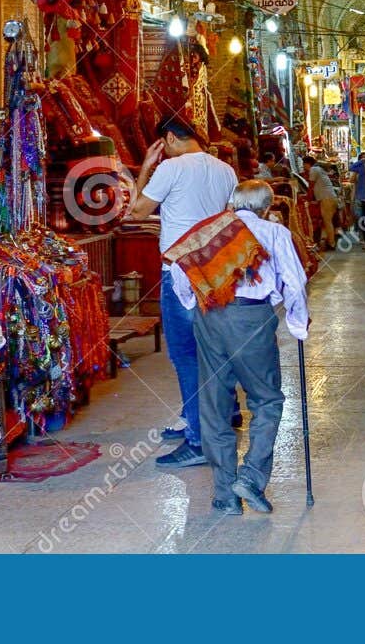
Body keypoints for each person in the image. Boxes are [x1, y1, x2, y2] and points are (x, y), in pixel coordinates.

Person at [183, 180, 311, 515]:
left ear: (233, 204)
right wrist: (298, 323)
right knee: (266, 399)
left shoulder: (210, 232)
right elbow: (295, 282)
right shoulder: (274, 232)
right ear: (267, 208)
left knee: (214, 403)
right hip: (252, 318)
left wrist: (192, 303)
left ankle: (225, 494)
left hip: (209, 317)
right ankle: (252, 477)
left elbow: (180, 272)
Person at [126, 116, 238, 468]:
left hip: (181, 274)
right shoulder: (225, 170)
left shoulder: (170, 168)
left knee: (186, 355)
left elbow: (136, 212)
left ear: (170, 139)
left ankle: (199, 439)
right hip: (216, 271)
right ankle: (219, 415)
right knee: (214, 350)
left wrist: (146, 167)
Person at [304, 153, 339, 249]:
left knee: (327, 222)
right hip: (330, 197)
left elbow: (311, 186)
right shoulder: (319, 169)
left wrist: (308, 198)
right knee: (327, 222)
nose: (304, 167)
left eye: (304, 164)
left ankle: (331, 243)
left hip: (326, 198)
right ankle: (328, 241)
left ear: (307, 164)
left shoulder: (313, 170)